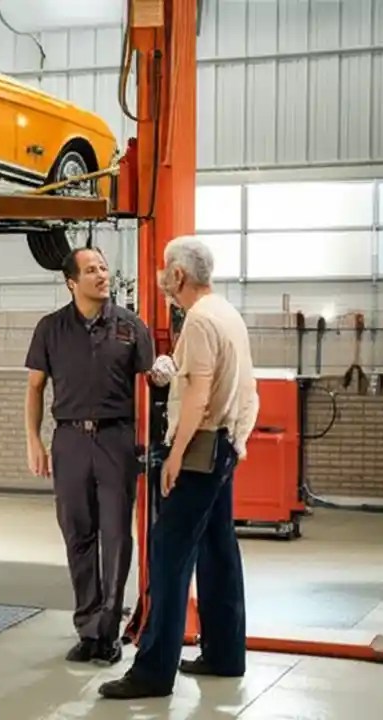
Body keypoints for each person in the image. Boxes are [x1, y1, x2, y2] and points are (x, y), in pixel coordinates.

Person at [100, 237, 259, 700]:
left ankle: (152, 672)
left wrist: (175, 455)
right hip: (224, 444)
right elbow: (239, 385)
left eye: (166, 269)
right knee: (218, 549)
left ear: (179, 275)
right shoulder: (226, 312)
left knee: (169, 554)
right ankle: (225, 653)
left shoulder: (200, 320)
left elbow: (199, 396)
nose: (162, 277)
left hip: (200, 448)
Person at [24, 247, 173, 665]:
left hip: (116, 440)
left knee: (116, 535)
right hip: (69, 440)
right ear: (71, 282)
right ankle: (87, 629)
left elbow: (154, 382)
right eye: (91, 270)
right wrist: (33, 440)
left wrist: (165, 375)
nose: (102, 275)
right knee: (78, 534)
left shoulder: (130, 326)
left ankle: (107, 633)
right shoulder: (51, 328)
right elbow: (35, 387)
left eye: (104, 268)